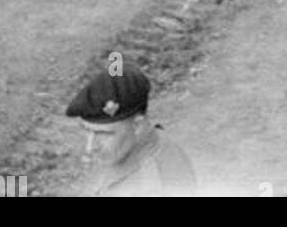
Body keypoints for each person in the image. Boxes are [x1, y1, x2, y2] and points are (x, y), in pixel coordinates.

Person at [65, 61, 196, 196]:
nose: (90, 147)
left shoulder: (149, 187)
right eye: (87, 131)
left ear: (137, 126)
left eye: (103, 134)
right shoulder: (144, 144)